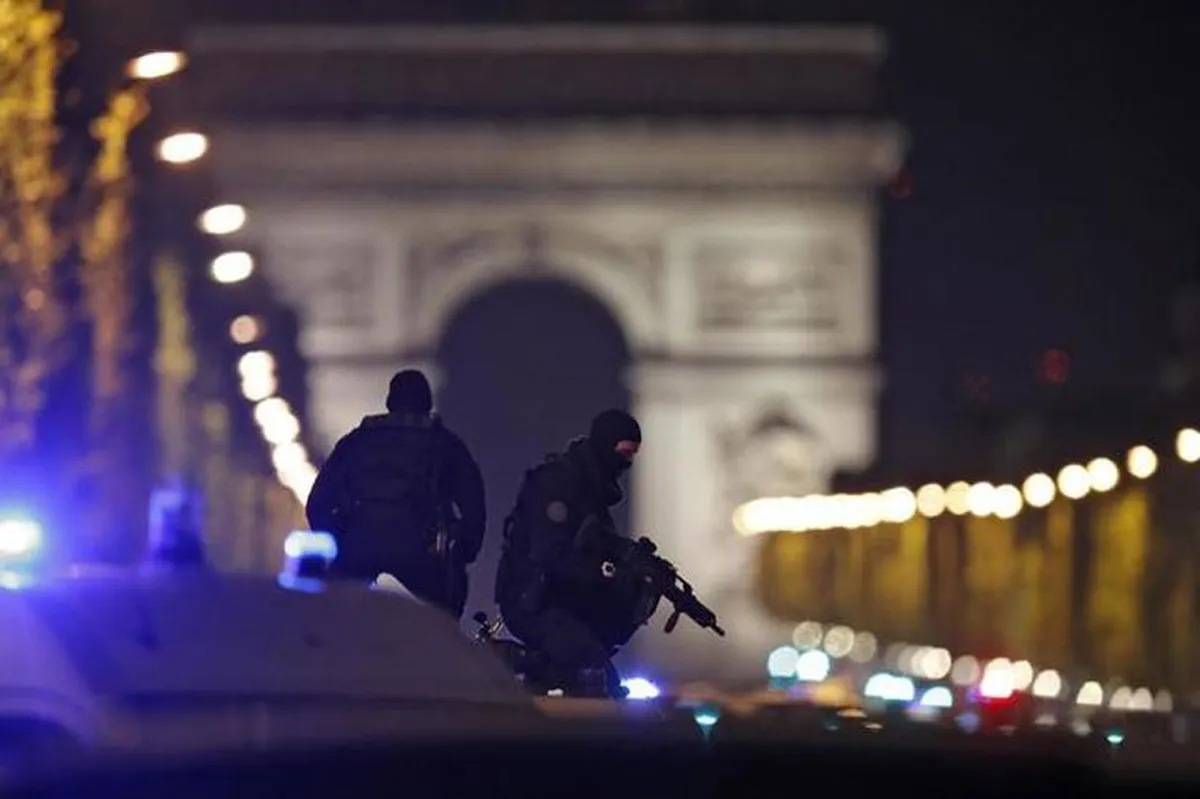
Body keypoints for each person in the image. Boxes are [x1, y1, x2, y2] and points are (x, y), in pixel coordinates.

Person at [495, 409, 652, 699]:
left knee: (591, 665)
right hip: (533, 600)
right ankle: (519, 667)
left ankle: (539, 671)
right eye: (623, 451)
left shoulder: (590, 489)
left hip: (562, 601)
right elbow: (550, 554)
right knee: (596, 677)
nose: (627, 462)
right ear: (606, 444)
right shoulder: (559, 483)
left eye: (633, 453)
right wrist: (608, 572)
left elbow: (594, 544)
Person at [305, 369, 485, 621]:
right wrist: (464, 550)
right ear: (427, 403)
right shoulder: (444, 445)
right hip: (424, 557)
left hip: (359, 550)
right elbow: (473, 504)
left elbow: (318, 503)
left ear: (390, 401)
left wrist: (341, 541)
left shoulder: (356, 442)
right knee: (441, 626)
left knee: (339, 622)